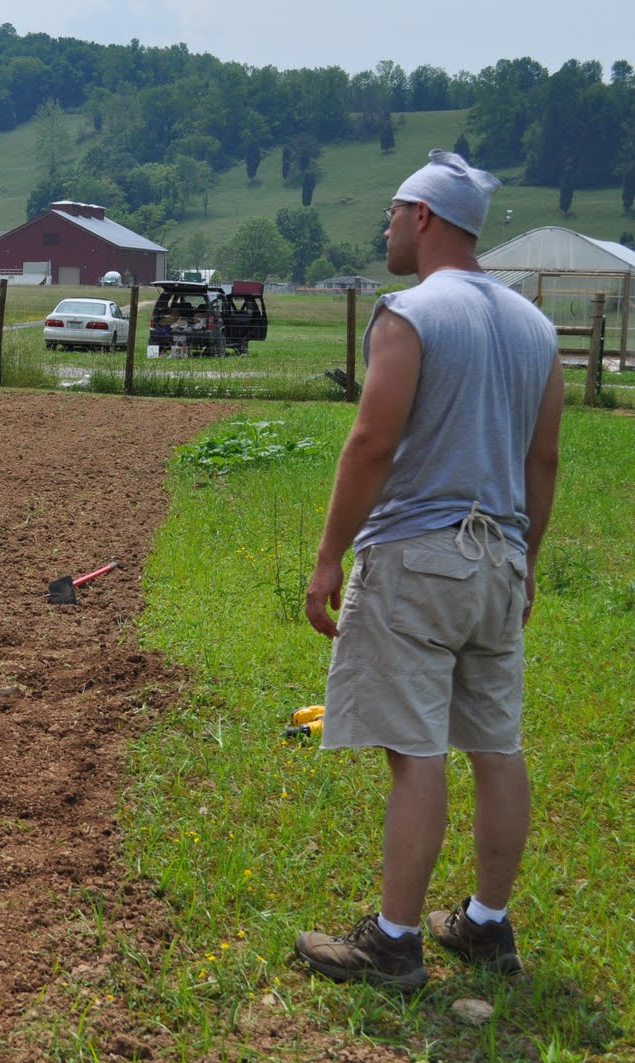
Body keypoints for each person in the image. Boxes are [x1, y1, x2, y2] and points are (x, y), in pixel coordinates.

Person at [294, 150, 563, 991]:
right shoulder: (536, 327)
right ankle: (485, 923)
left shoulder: (408, 313)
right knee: (495, 744)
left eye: (392, 213)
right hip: (501, 558)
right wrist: (525, 564)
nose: (385, 229)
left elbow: (373, 442)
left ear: (424, 216)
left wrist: (329, 555)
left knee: (415, 751)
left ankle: (394, 941)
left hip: (416, 557)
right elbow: (544, 459)